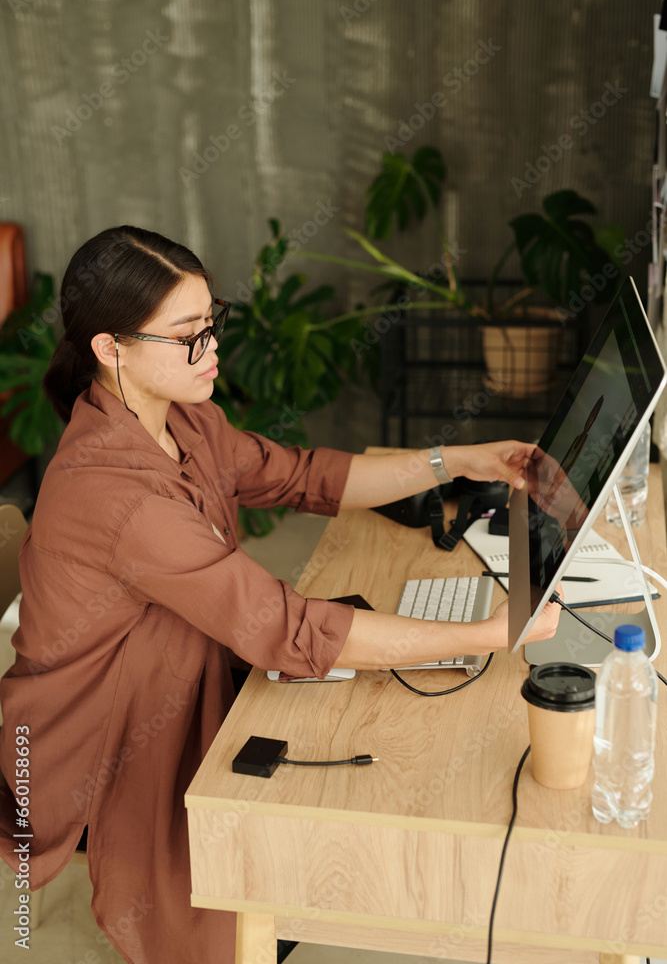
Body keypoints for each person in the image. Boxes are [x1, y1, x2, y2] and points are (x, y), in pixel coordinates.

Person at [0, 226, 559, 964]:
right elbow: (281, 625)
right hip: (96, 744)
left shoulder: (183, 418)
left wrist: (456, 460)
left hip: (184, 685)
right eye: (186, 336)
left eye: (212, 325)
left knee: (355, 739)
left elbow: (303, 476)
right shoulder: (114, 492)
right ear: (111, 348)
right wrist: (482, 636)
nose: (212, 351)